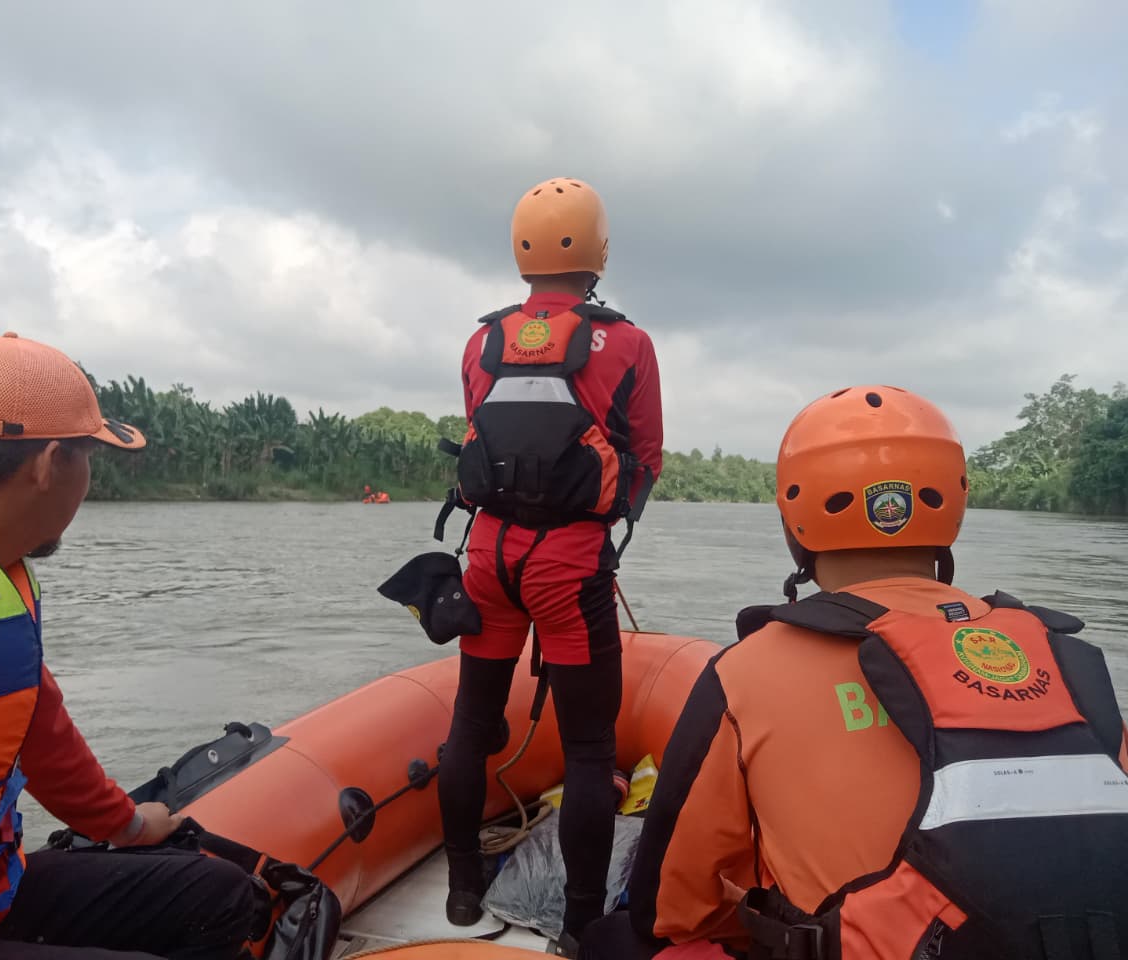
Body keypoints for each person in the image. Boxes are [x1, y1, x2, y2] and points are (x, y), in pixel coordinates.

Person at [584, 385, 1128, 959]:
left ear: (795, 518)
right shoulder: (1066, 655)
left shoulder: (748, 671)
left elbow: (674, 902)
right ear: (954, 503)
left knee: (618, 939)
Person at [0, 333, 256, 959]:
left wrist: (124, 824)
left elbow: (41, 734)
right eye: (89, 458)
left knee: (219, 895)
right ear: (49, 465)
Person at [436, 177, 664, 954]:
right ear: (597, 247)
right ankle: (577, 922)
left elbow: (476, 430)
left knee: (470, 724)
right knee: (592, 748)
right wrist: (600, 527)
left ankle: (464, 891)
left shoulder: (481, 340)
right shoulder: (626, 342)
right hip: (568, 568)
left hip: (489, 557)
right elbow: (647, 459)